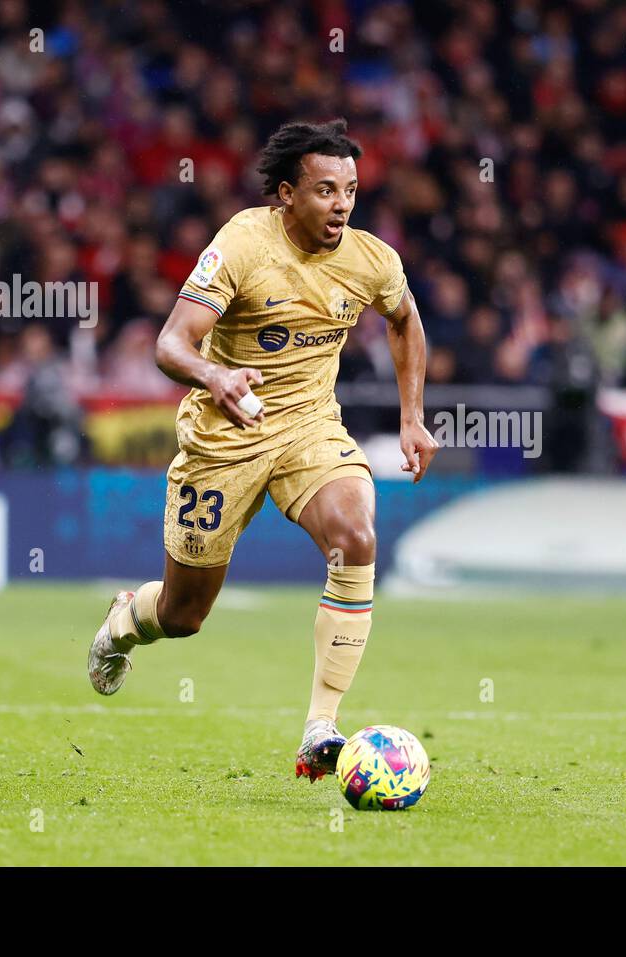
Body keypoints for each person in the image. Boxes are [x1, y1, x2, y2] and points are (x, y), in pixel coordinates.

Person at [85, 119, 439, 781]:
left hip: (309, 428)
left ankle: (320, 728)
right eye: (326, 190)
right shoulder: (243, 244)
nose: (342, 205)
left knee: (355, 534)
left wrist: (412, 416)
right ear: (286, 194)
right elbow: (171, 343)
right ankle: (121, 625)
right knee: (184, 614)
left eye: (352, 191)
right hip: (225, 439)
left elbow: (405, 318)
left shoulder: (371, 259)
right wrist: (217, 376)